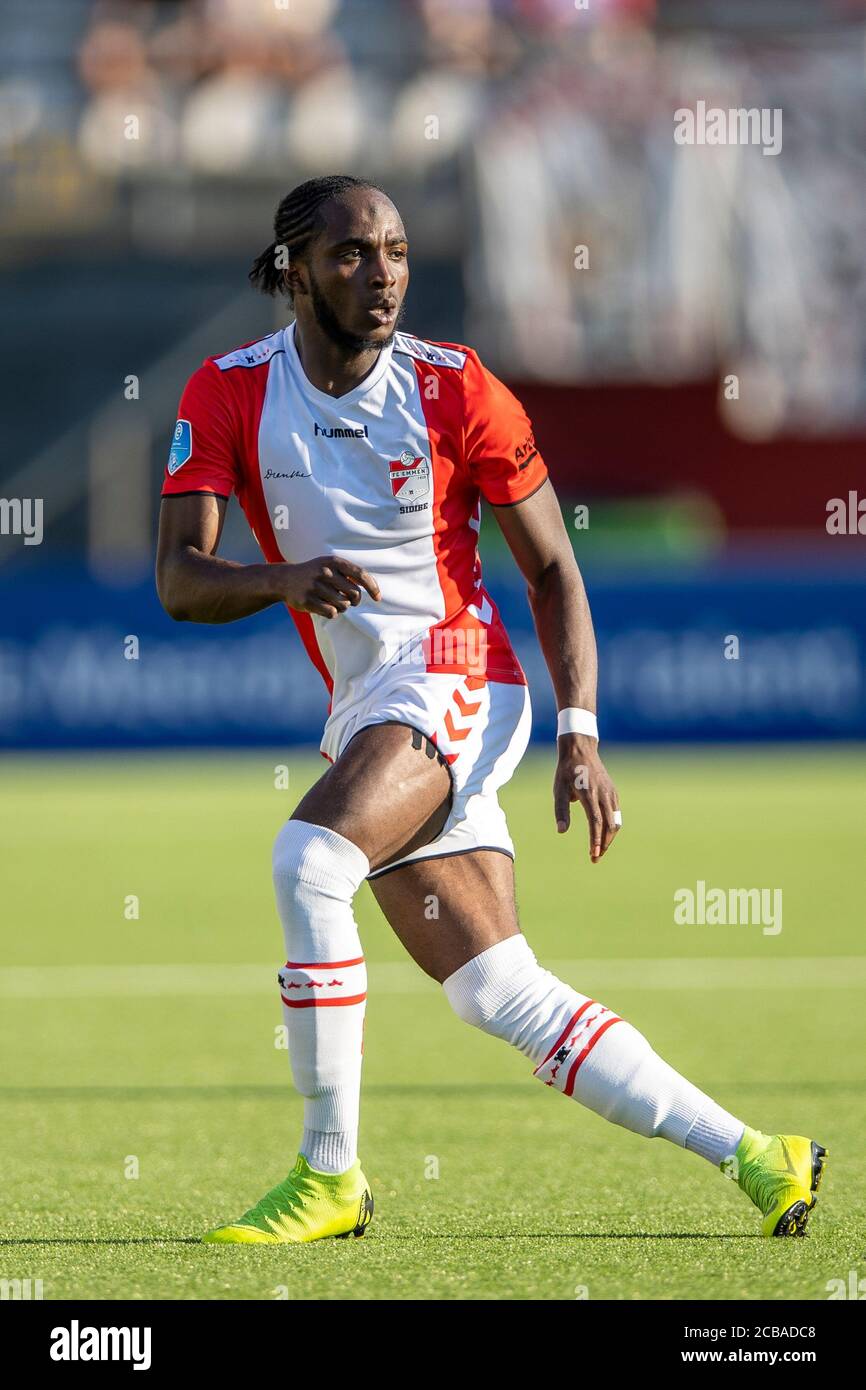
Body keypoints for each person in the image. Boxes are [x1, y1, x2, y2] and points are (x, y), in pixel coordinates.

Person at [156, 175, 827, 1243]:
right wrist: (281, 582)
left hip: (458, 668)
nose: (381, 276)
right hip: (366, 699)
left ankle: (330, 1176)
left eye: (397, 253)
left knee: (309, 862)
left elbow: (553, 569)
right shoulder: (225, 390)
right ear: (292, 273)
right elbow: (181, 583)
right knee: (494, 991)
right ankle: (759, 1155)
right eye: (349, 256)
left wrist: (579, 733)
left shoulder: (456, 387)